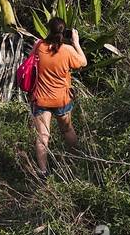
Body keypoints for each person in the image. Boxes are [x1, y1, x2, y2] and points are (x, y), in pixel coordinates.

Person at [29, 18, 88, 178]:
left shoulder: (39, 46)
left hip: (41, 99)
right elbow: (83, 62)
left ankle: (42, 172)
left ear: (48, 29)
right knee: (67, 129)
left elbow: (30, 61)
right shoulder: (67, 50)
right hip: (61, 99)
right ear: (63, 32)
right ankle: (77, 159)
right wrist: (76, 42)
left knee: (43, 136)